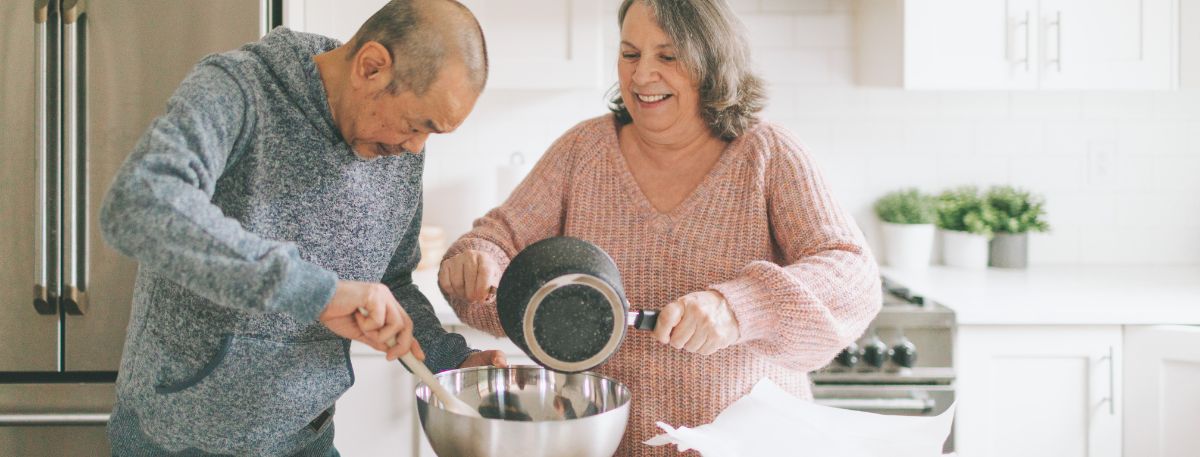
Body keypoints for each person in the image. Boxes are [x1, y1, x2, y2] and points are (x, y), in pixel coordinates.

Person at [438, 0, 882, 454]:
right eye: (630, 54)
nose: (641, 74)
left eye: (667, 57)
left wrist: (739, 308)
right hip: (609, 445)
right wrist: (478, 265)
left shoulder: (767, 154)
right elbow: (497, 240)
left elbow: (853, 276)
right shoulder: (583, 151)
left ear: (711, 62)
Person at [99, 1, 505, 455]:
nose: (415, 148)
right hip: (179, 439)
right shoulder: (238, 89)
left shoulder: (397, 152)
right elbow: (141, 202)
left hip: (306, 439)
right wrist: (319, 292)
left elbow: (389, 283)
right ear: (371, 67)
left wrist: (455, 362)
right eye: (416, 125)